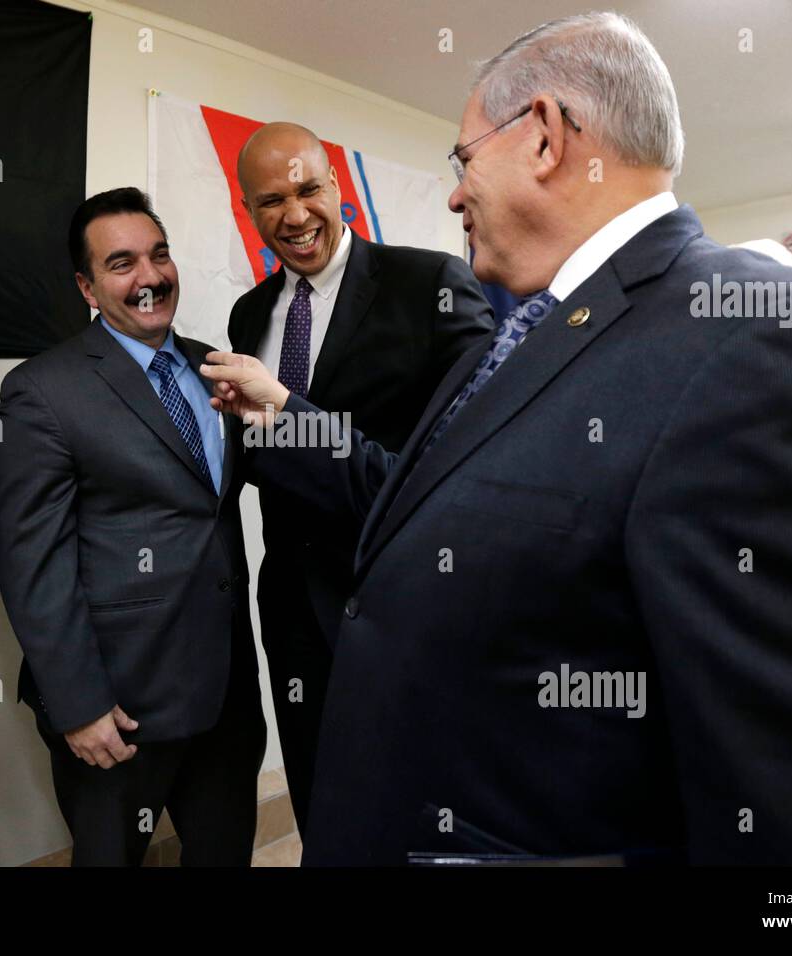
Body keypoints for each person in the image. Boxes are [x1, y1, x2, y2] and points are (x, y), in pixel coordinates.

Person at [203, 12, 792, 865]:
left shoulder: (766, 340)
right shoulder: (543, 329)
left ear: (547, 137)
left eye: (463, 160)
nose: (454, 193)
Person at [228, 122, 492, 833]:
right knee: (324, 813)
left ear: (336, 188)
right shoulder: (250, 313)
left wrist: (288, 415)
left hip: (401, 611)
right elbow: (270, 462)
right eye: (270, 199)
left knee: (414, 818)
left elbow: (453, 476)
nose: (294, 213)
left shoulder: (430, 286)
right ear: (249, 210)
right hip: (292, 618)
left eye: (308, 188)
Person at [0, 188, 265, 866]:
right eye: (122, 264)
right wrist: (79, 704)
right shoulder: (43, 390)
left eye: (159, 255)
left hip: (226, 699)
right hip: (119, 709)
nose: (149, 277)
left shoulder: (219, 370)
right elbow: (32, 560)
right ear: (87, 286)